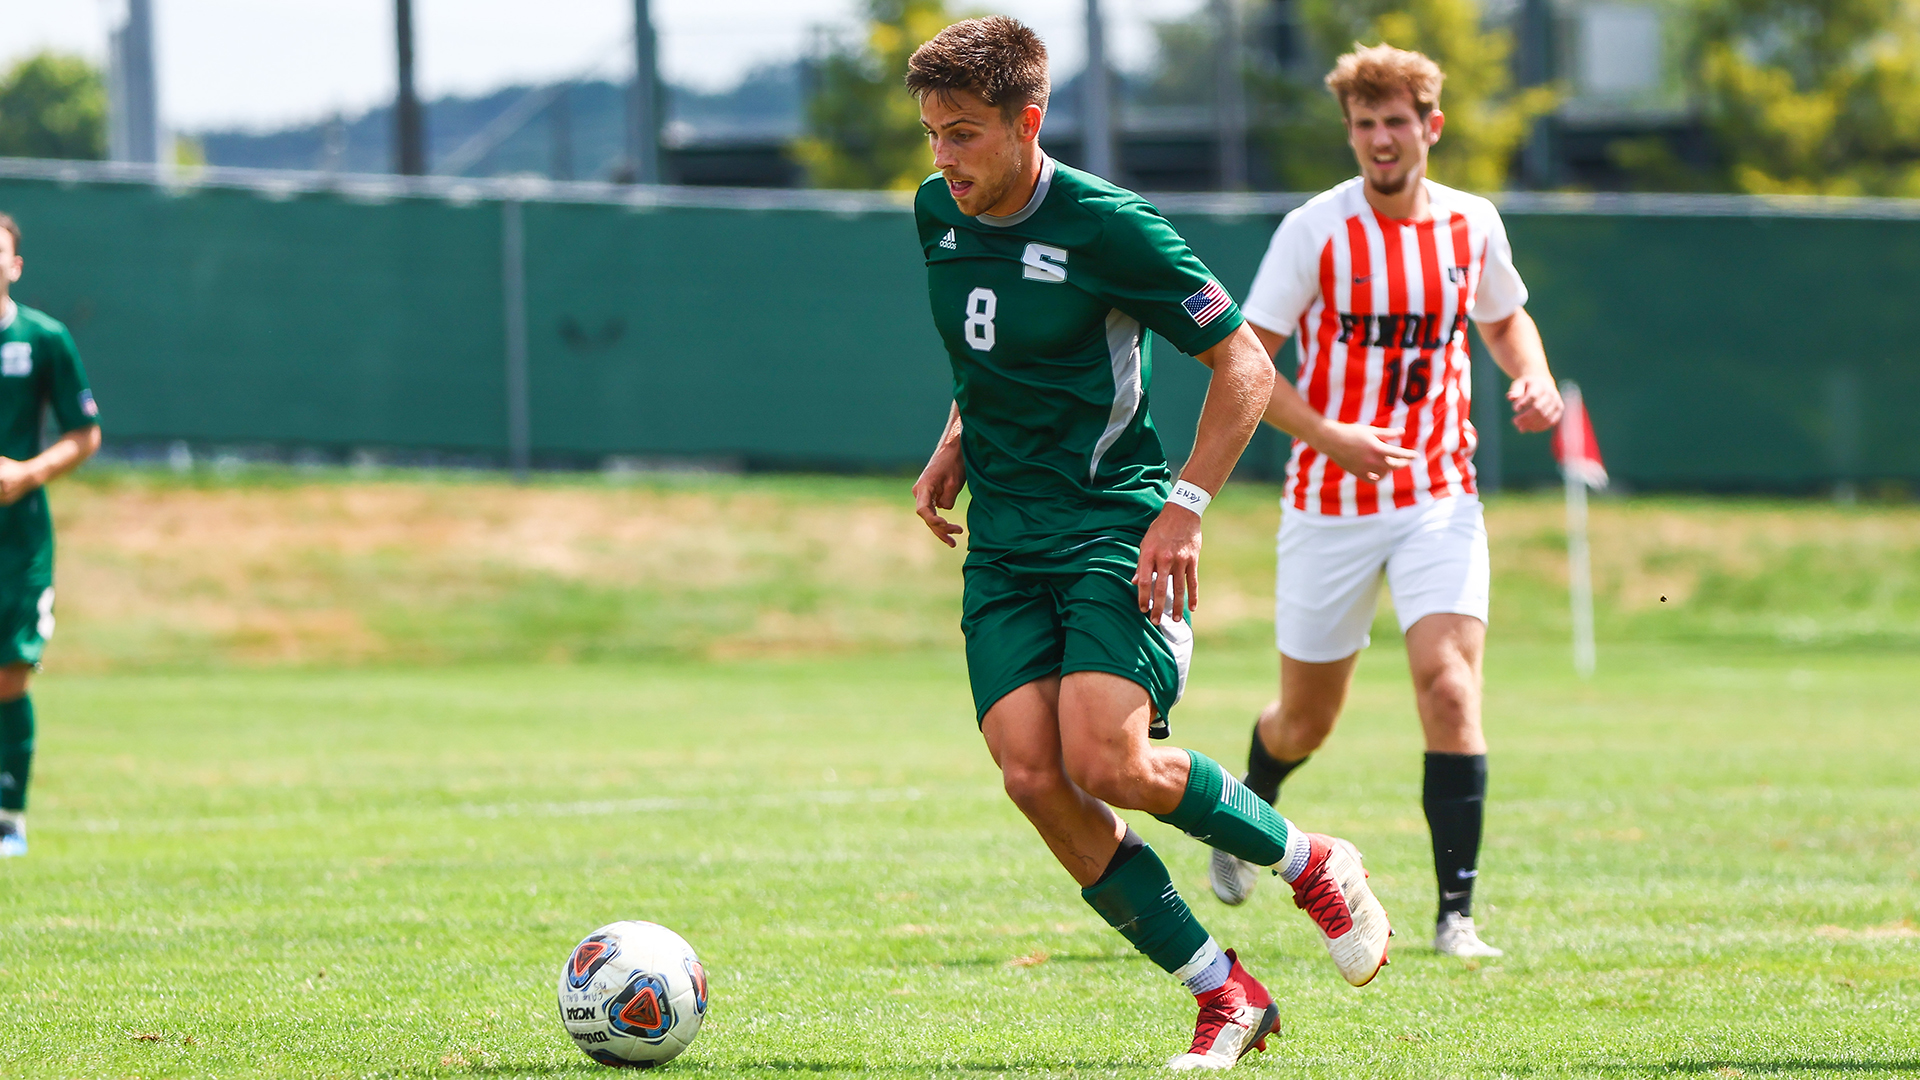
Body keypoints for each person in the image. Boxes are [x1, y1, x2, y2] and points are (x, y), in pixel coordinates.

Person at [904, 18, 1392, 1069]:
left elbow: (1246, 365)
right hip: (1004, 541)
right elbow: (982, 354)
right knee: (1033, 777)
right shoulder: (935, 212)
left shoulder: (1111, 227)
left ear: (1029, 123)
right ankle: (1227, 998)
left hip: (1112, 524)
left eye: (966, 134)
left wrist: (1186, 508)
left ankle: (1308, 860)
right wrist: (952, 439)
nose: (944, 159)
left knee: (1107, 759)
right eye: (933, 135)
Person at [1199, 45, 1563, 959]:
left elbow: (1505, 315)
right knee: (1305, 718)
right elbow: (1248, 364)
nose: (1379, 140)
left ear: (1430, 127)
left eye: (1395, 121)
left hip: (1440, 491)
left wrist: (1534, 378)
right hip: (1328, 500)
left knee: (1449, 686)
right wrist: (1331, 437)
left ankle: (1456, 916)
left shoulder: (1471, 225)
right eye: (1364, 125)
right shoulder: (1314, 229)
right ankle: (1257, 790)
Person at [0, 212, 103, 858]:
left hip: (17, 538)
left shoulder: (44, 339)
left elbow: (84, 432)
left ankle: (8, 816)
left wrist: (27, 473)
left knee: (9, 674)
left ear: (14, 265)